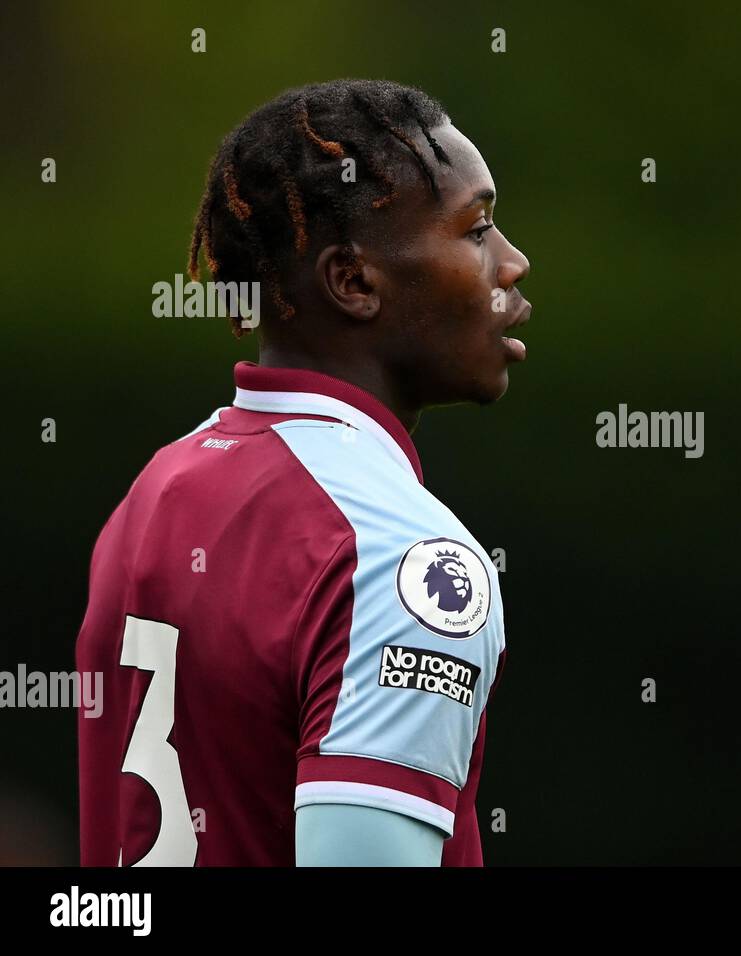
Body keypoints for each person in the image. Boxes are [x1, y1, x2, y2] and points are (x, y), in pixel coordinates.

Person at [75, 79, 531, 866]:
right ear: (354, 282)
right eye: (478, 229)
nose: (512, 263)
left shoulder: (157, 490)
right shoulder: (402, 559)